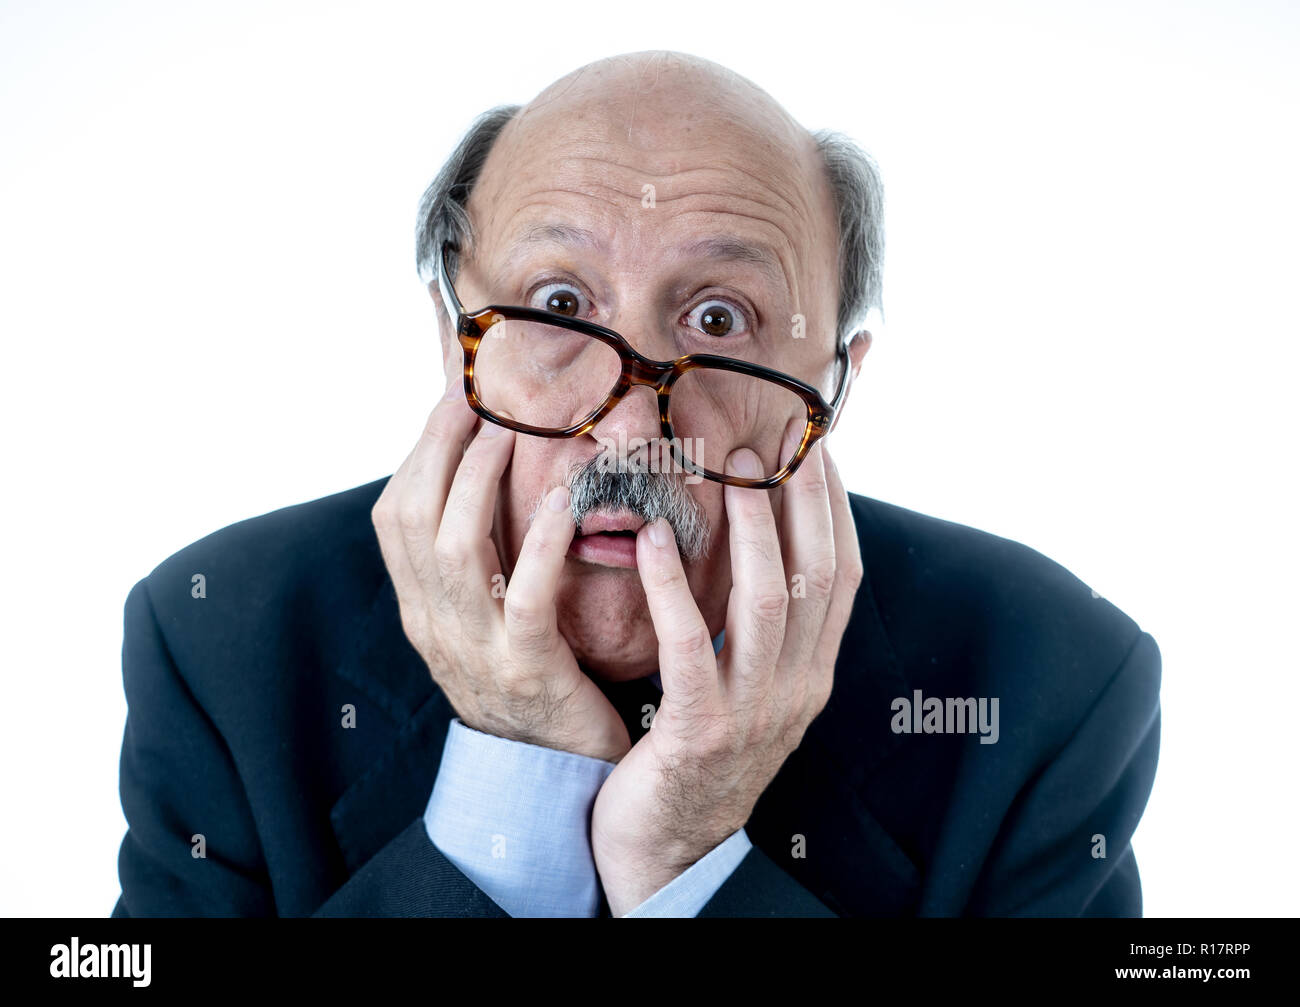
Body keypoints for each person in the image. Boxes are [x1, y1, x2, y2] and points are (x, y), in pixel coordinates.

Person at [111, 50, 1160, 918]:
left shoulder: (1046, 683)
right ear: (451, 340)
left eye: (719, 318)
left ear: (828, 390)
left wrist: (689, 853)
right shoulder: (223, 640)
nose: (626, 425)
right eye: (558, 303)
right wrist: (511, 791)